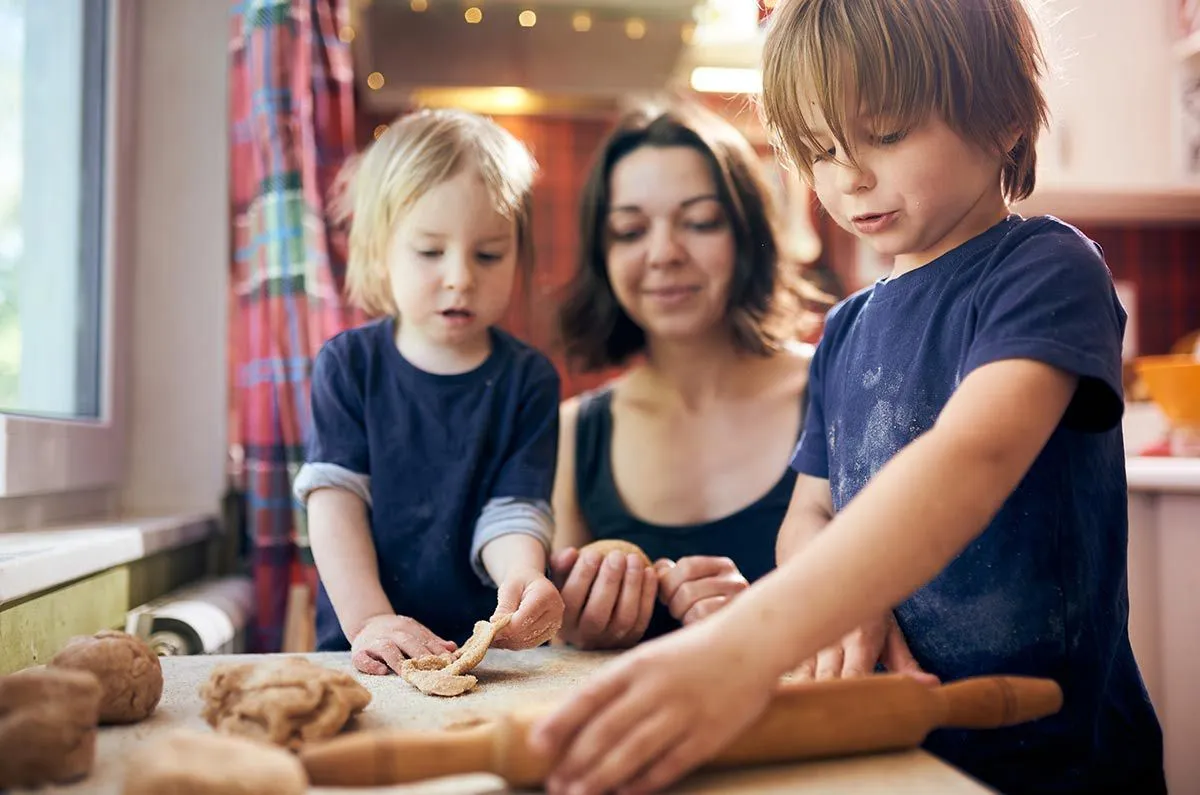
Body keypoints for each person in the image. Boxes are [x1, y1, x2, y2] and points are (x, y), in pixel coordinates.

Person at [528, 1, 1166, 793]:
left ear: (1004, 117)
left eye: (887, 134)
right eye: (822, 151)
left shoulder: (1044, 270)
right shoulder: (848, 328)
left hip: (1055, 758)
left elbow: (971, 457)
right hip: (894, 751)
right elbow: (811, 517)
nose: (851, 176)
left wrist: (744, 647)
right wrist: (854, 602)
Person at [293, 109, 565, 675]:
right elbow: (335, 503)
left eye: (488, 254)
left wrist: (523, 578)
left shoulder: (529, 380)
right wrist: (370, 620)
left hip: (482, 662)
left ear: (519, 254)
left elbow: (511, 511)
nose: (460, 276)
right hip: (366, 651)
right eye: (429, 251)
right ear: (378, 252)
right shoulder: (348, 366)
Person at [550, 101, 824, 649]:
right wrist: (573, 630)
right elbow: (553, 652)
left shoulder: (834, 390)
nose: (663, 254)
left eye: (699, 222)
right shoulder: (573, 432)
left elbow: (896, 602)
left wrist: (773, 621)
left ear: (747, 234)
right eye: (629, 231)